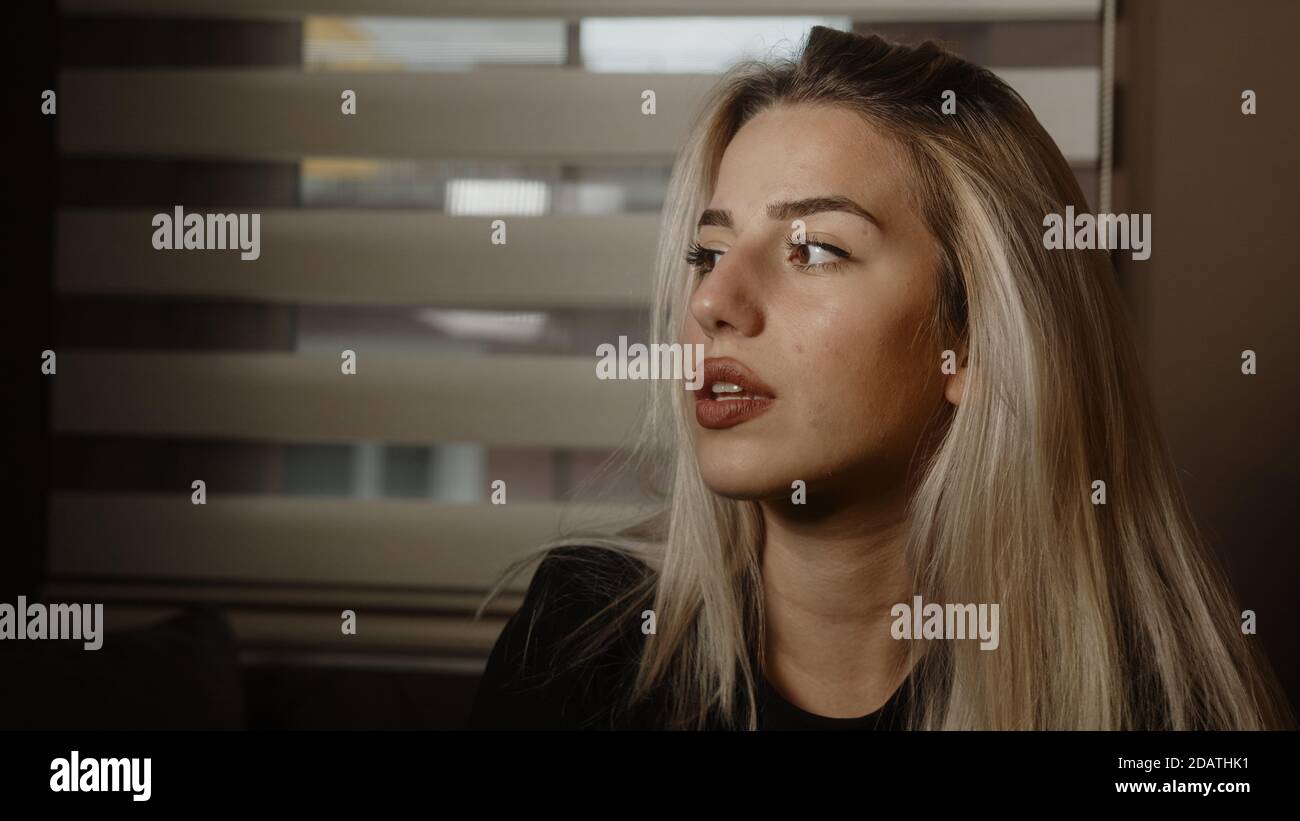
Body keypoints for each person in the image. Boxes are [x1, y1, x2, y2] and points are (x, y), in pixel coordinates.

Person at [468, 26, 1291, 731]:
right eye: (707, 253)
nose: (714, 301)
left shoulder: (1158, 718)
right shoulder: (576, 649)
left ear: (972, 341)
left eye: (815, 249)